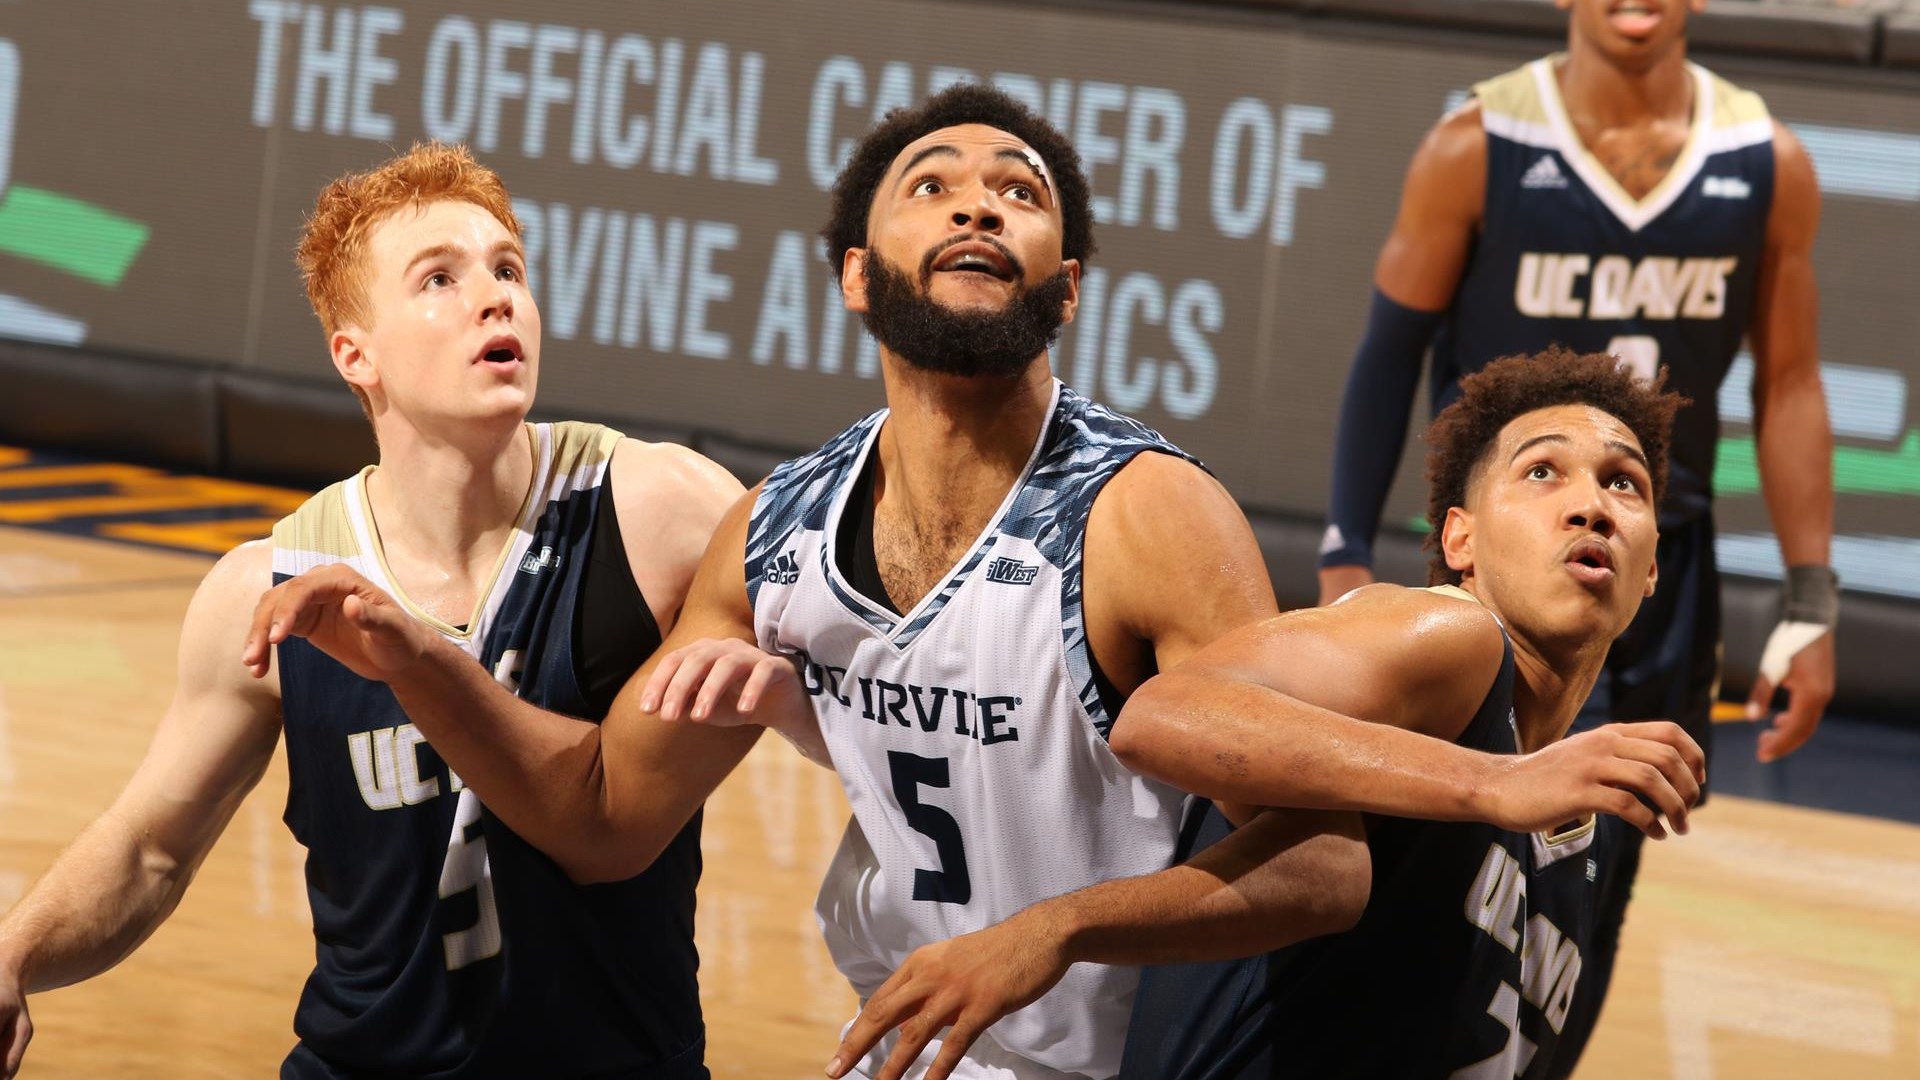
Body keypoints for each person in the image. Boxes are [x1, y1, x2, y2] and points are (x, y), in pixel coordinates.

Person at [0, 143, 742, 1079]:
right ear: (357, 354)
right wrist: (12, 953)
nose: (495, 295)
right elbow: (151, 848)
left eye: (508, 269)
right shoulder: (266, 586)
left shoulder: (663, 508)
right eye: (440, 278)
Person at [1314, 0, 1836, 1066]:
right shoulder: (1478, 143)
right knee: (1461, 855)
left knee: (1600, 881)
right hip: (1504, 569)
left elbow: (1790, 386)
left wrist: (1812, 598)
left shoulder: (1766, 160)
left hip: (1662, 574)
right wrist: (1342, 552)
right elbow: (1386, 354)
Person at [1114, 347, 1701, 1078]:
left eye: (1624, 484)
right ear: (1462, 539)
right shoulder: (1456, 643)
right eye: (1542, 471)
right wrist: (1492, 783)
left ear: (1650, 572)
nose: (1591, 507)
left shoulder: (1585, 821)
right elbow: (1164, 715)